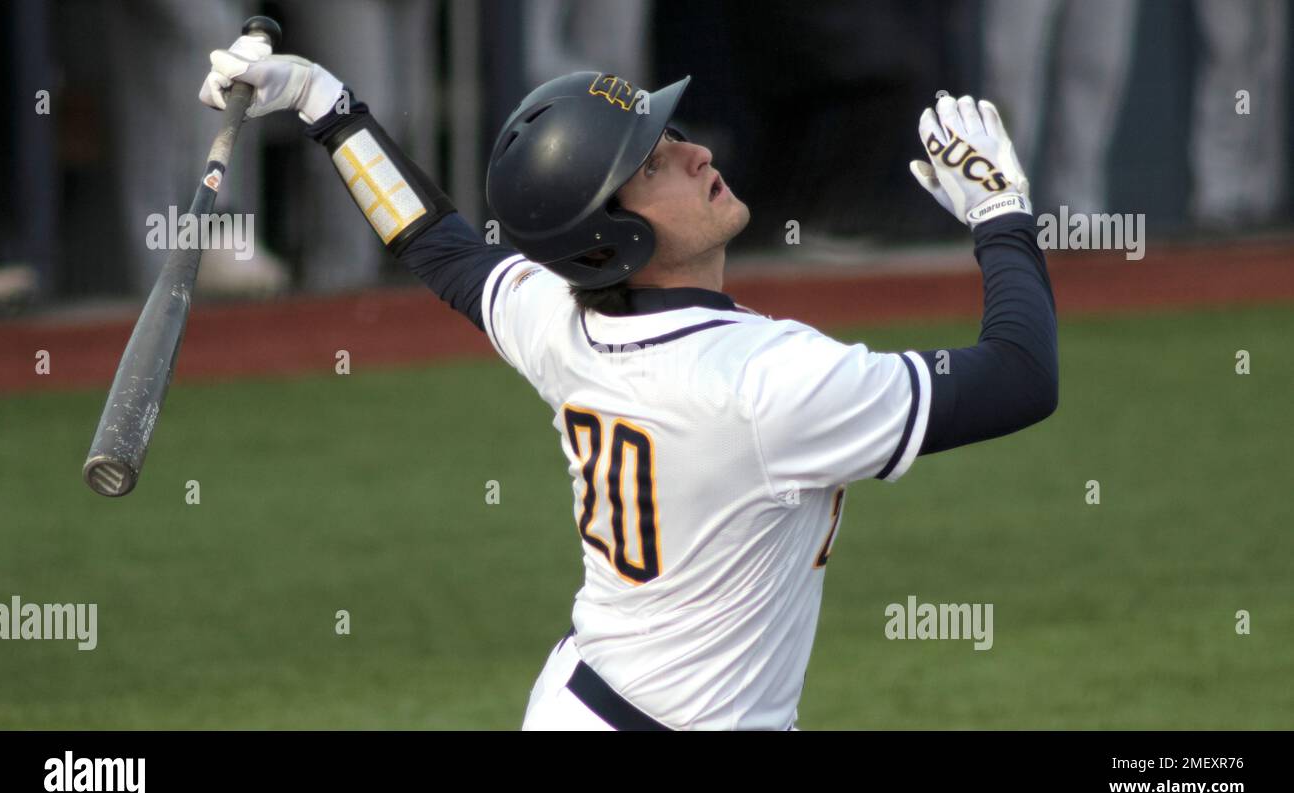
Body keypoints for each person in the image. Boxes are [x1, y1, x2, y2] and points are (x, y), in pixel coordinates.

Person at [199, 33, 1058, 730]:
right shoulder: (769, 384)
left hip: (586, 701)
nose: (695, 152)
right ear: (615, 238)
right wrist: (1002, 216)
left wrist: (325, 106)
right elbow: (1022, 375)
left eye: (670, 138)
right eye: (653, 163)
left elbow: (436, 243)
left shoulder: (564, 323)